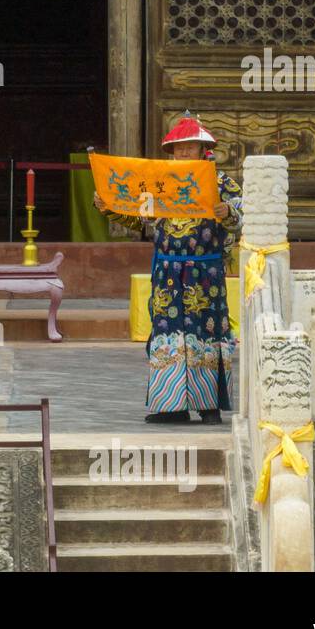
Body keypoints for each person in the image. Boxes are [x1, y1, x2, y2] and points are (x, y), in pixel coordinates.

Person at [94, 112, 242, 424]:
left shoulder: (220, 182)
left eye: (190, 146)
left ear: (204, 150)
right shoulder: (159, 185)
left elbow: (240, 220)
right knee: (168, 334)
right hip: (167, 274)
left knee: (207, 334)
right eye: (179, 147)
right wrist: (109, 208)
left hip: (205, 274)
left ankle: (209, 406)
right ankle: (171, 405)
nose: (184, 152)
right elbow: (140, 220)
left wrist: (226, 211)